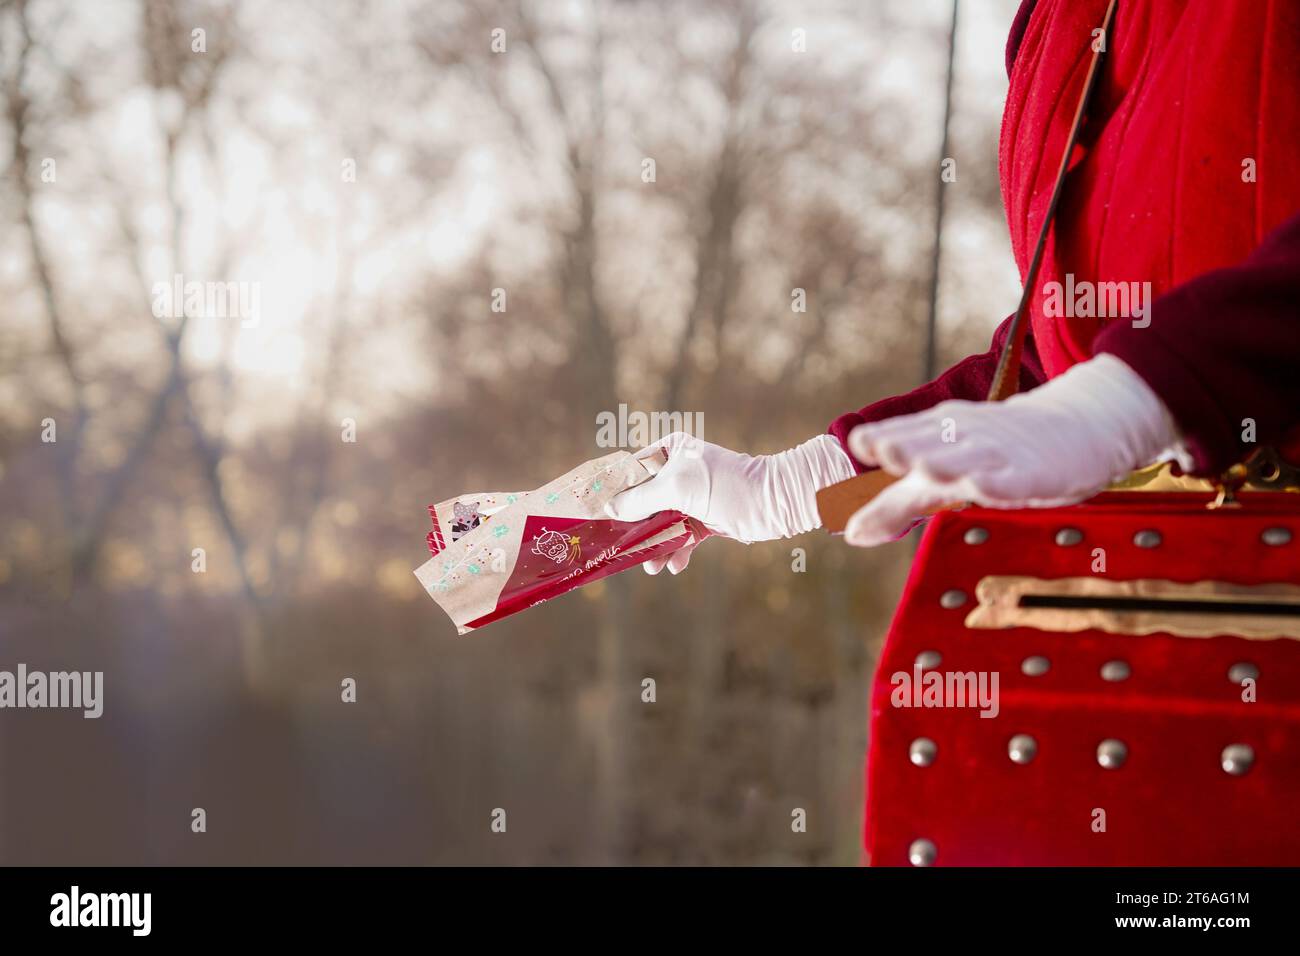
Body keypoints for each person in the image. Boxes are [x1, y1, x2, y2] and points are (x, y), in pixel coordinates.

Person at [607, 0, 1300, 567]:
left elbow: (1118, 385)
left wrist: (1145, 395)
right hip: (1141, 591)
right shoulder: (1050, 27)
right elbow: (1067, 353)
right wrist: (792, 487)